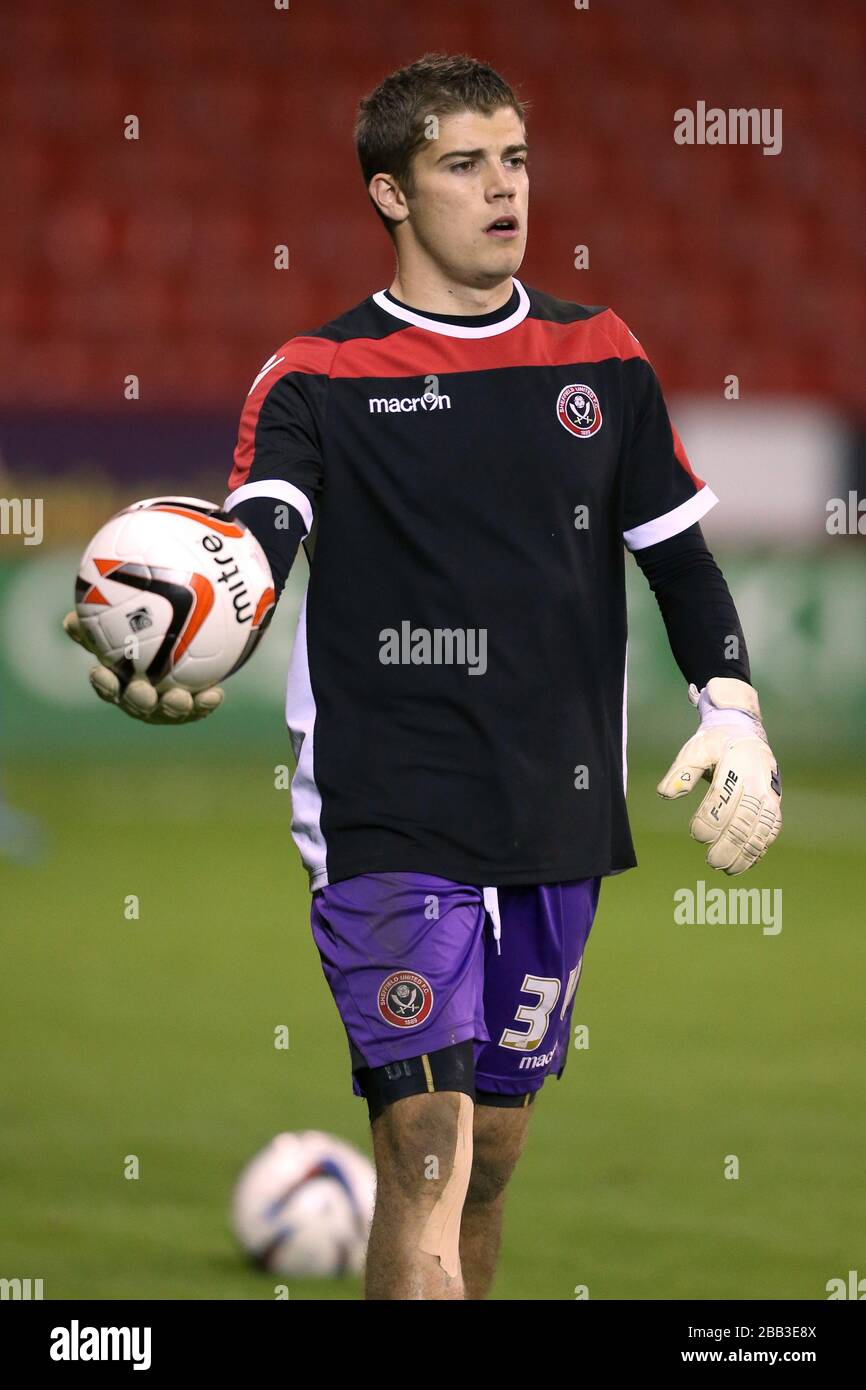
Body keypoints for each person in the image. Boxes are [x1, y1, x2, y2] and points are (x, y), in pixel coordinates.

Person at [65, 53, 781, 1300]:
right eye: (464, 165)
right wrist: (184, 646)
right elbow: (256, 546)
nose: (503, 189)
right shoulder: (315, 378)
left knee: (491, 1152)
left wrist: (733, 706)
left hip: (554, 808)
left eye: (514, 160)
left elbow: (679, 563)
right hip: (387, 804)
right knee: (422, 1142)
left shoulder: (598, 356)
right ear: (391, 195)